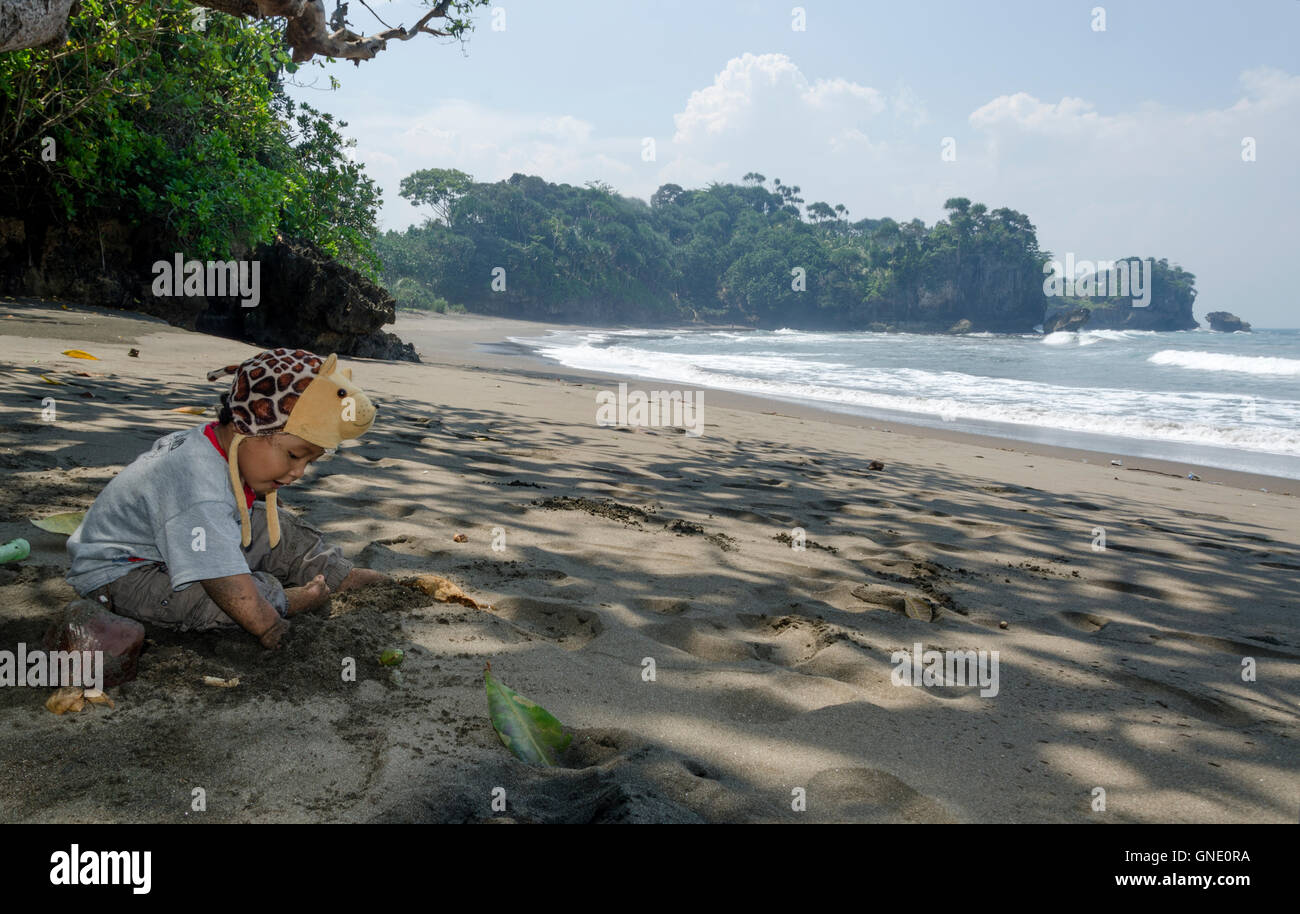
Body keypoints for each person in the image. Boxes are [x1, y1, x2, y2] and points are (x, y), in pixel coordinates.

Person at [65, 348, 390, 649]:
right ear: (245, 427)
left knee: (277, 526)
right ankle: (288, 599)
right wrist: (271, 628)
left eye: (309, 461)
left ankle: (337, 574)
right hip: (124, 574)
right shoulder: (199, 487)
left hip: (180, 541)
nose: (298, 472)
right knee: (223, 598)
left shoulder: (217, 444)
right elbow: (220, 577)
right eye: (293, 455)